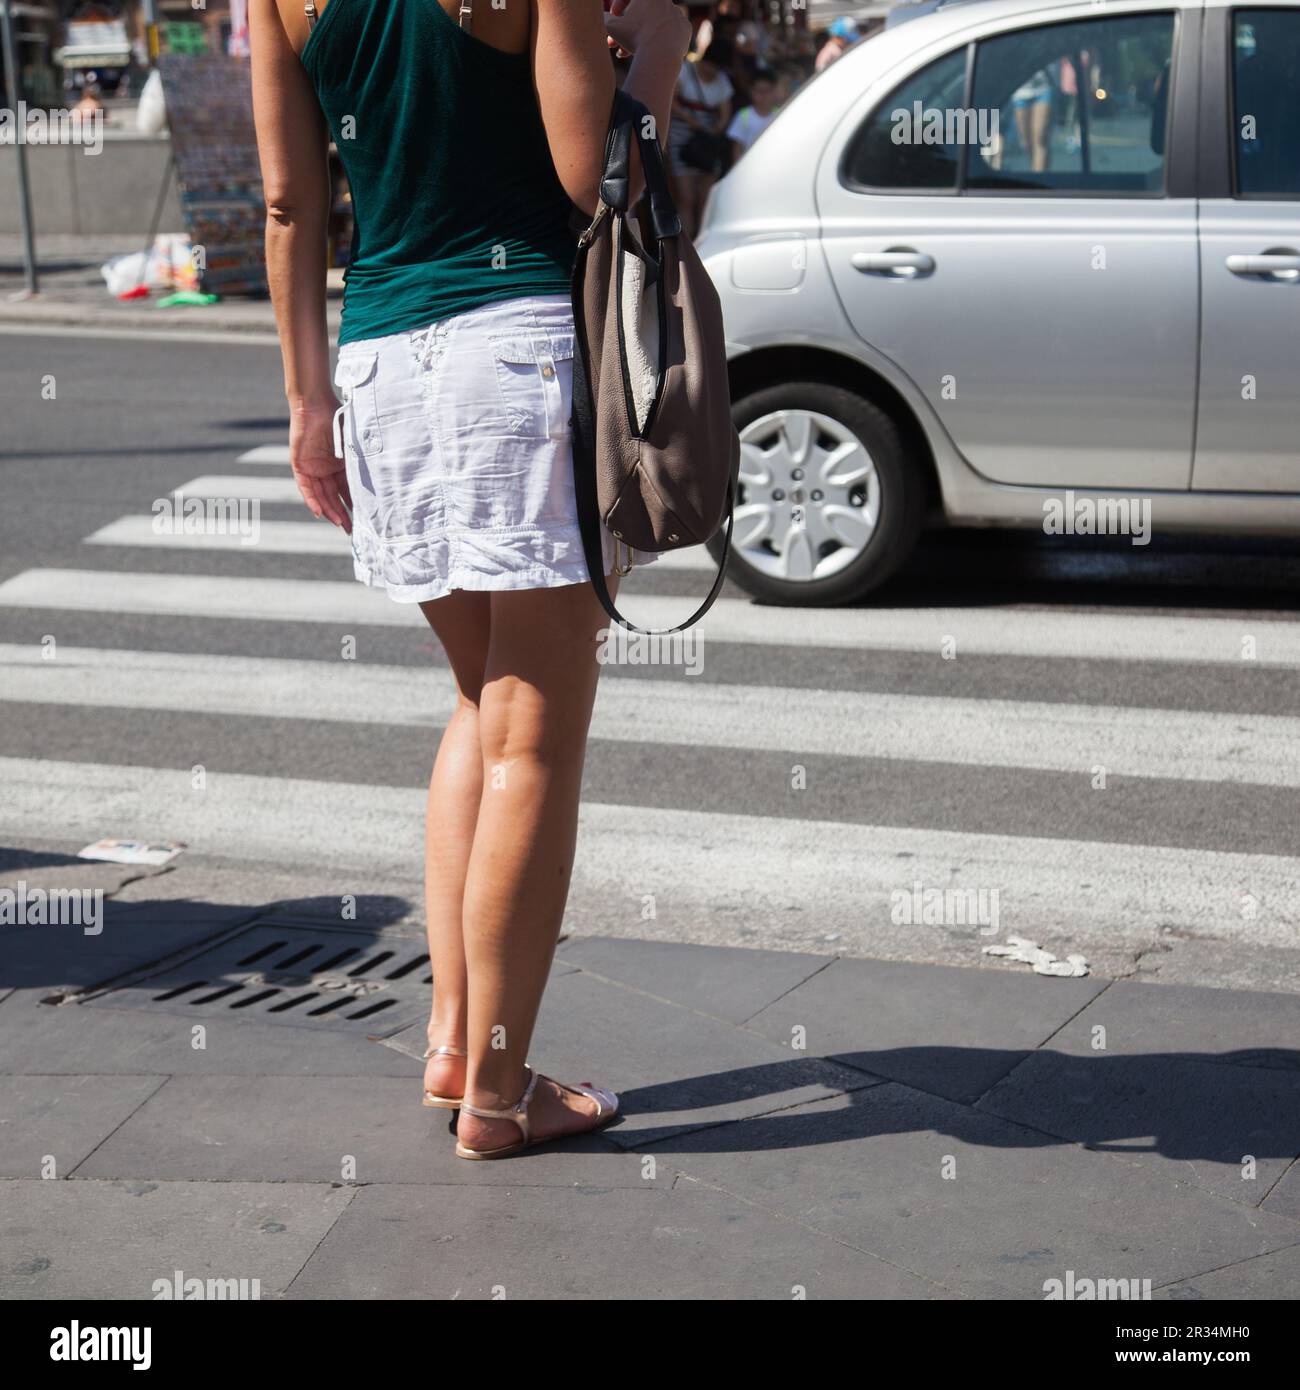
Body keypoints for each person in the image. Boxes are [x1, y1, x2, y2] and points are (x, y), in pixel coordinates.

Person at [249, 0, 691, 1160]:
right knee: (532, 732)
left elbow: (292, 203)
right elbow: (588, 173)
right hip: (518, 350)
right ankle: (499, 1096)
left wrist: (305, 405)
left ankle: (453, 1036)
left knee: (478, 702)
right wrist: (658, 41)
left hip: (380, 358)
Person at [667, 37, 734, 239]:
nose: (714, 71)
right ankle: (687, 244)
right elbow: (670, 100)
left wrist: (717, 127)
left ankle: (703, 242)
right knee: (686, 198)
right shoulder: (685, 72)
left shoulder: (722, 80)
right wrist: (689, 119)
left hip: (707, 143)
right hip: (681, 141)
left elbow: (725, 112)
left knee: (705, 199)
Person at [726, 66, 780, 163]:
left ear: (774, 91)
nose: (764, 95)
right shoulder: (743, 115)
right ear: (751, 92)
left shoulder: (780, 115)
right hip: (749, 166)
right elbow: (737, 148)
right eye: (759, 91)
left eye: (767, 90)